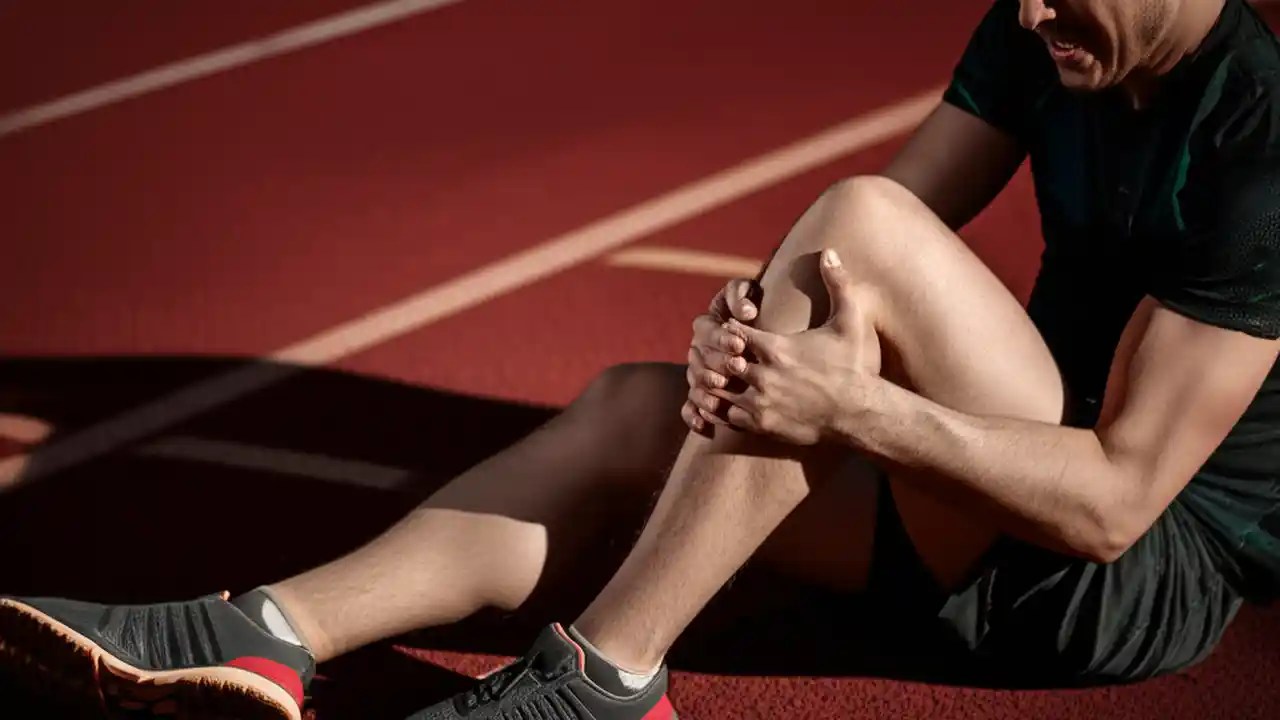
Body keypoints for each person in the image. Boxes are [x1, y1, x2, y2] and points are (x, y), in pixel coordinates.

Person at [4, 0, 1280, 718]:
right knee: (632, 407)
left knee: (859, 237)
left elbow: (1115, 505)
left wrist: (853, 409)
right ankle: (269, 630)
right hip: (972, 511)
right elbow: (855, 263)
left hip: (1111, 575)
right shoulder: (1041, 29)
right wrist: (752, 332)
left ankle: (603, 683)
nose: (1031, 6)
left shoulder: (1259, 138)